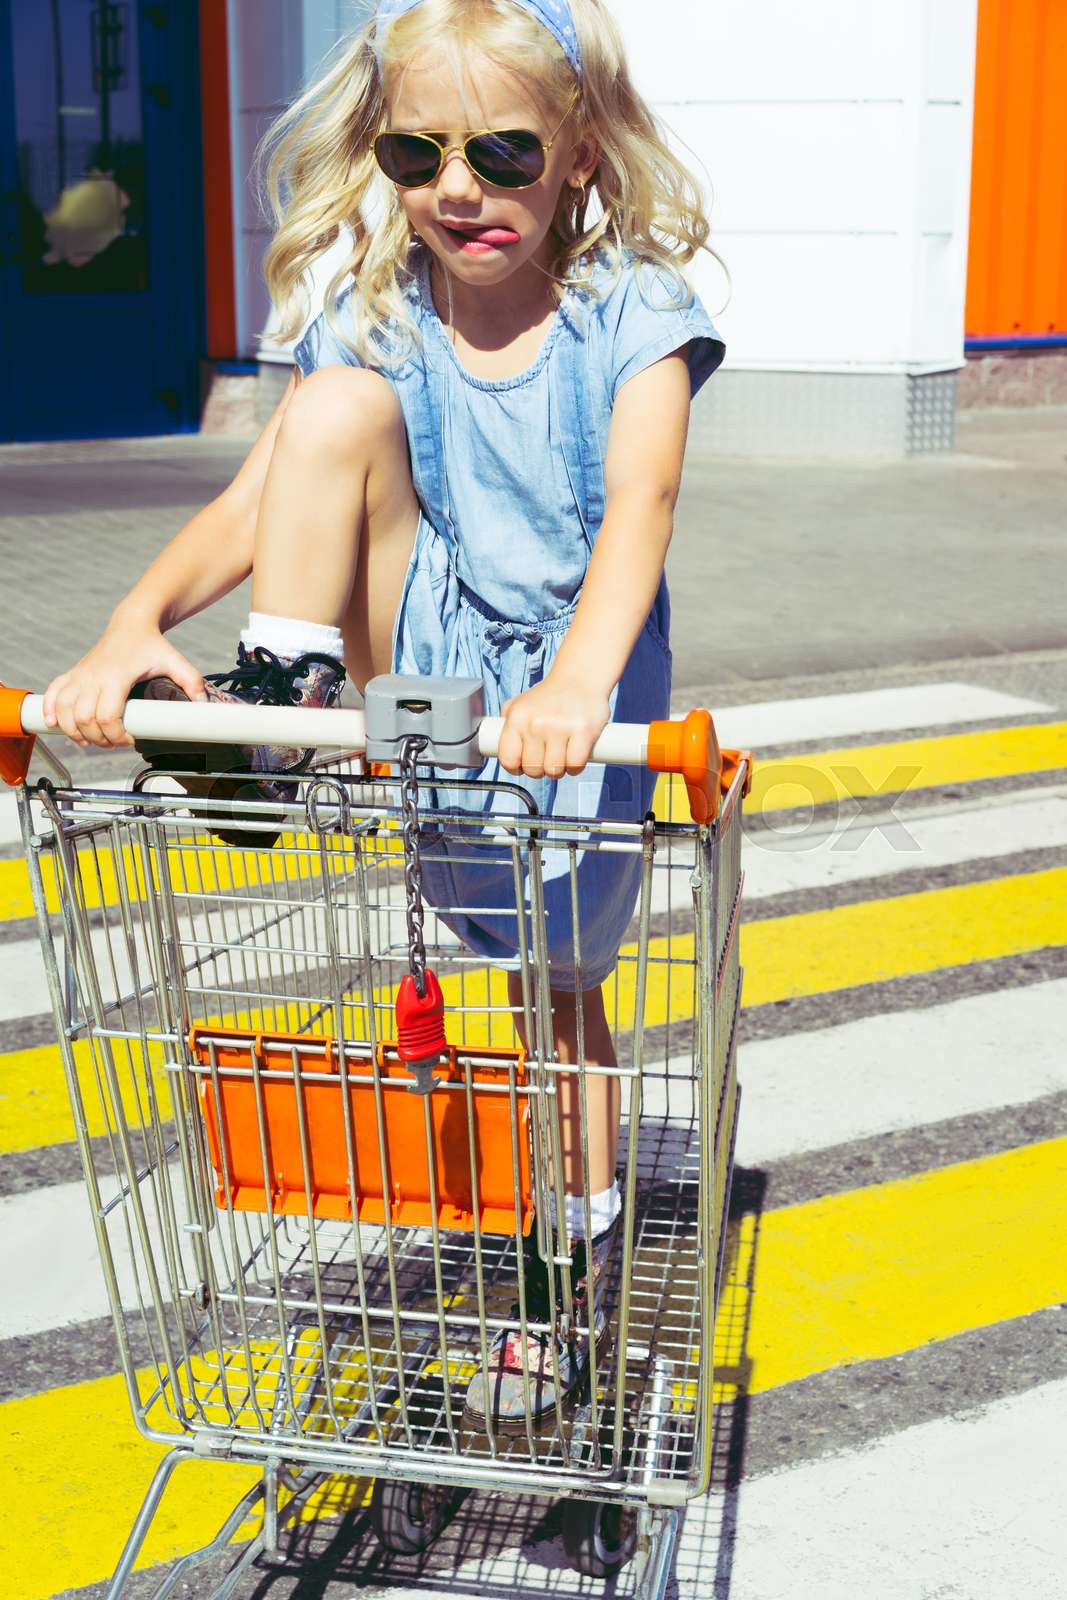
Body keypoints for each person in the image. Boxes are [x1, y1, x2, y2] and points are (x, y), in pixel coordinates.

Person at [42, 0, 724, 1431]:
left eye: (502, 149)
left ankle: (552, 1297)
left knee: (560, 1005)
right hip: (423, 672)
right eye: (418, 152)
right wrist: (131, 623)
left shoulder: (631, 317)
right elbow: (265, 494)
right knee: (329, 413)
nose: (457, 185)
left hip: (564, 699)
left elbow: (639, 515)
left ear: (584, 153)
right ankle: (281, 691)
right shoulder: (381, 316)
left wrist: (582, 687)